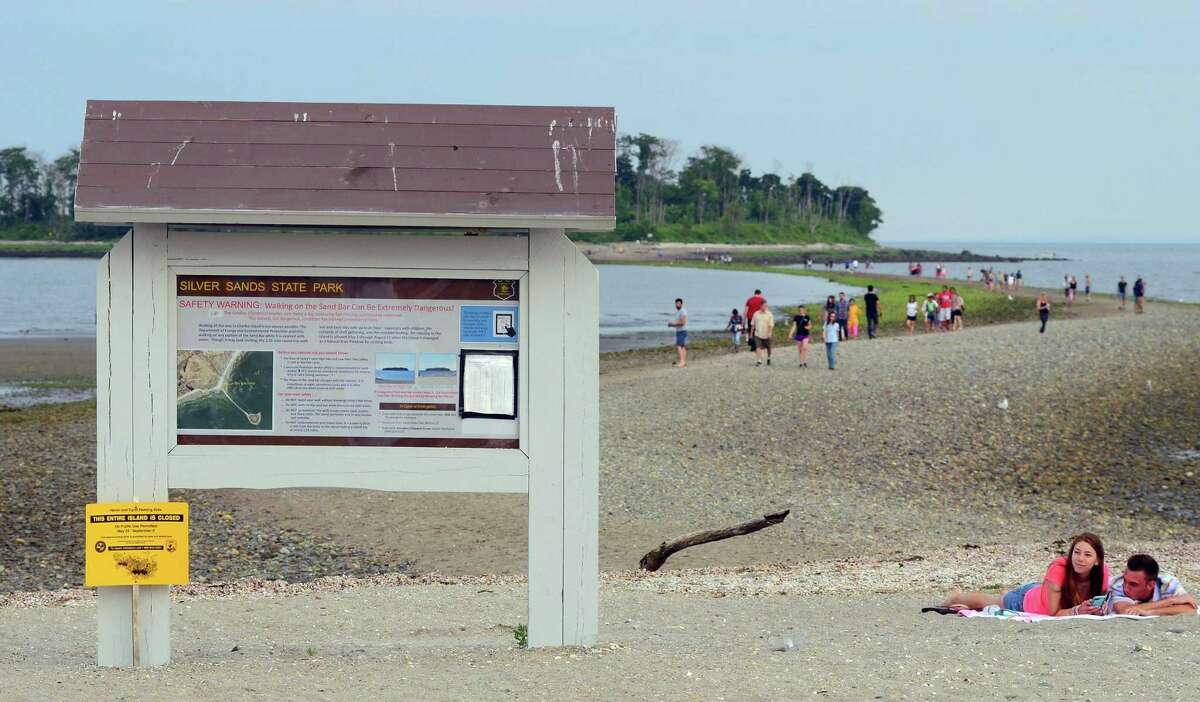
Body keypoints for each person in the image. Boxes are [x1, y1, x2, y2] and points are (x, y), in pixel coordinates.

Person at [941, 533, 1111, 616]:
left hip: (1041, 591)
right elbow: (1053, 613)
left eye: (1087, 555)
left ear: (1097, 560)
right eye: (1077, 552)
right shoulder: (1059, 570)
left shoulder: (1102, 573)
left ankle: (1007, 593)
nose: (1080, 559)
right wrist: (1077, 611)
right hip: (1027, 601)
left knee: (1006, 597)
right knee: (988, 602)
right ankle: (955, 597)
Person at [1106, 554, 1198, 616]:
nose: (1126, 587)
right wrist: (1170, 601)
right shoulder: (1118, 585)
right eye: (1125, 581)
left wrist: (1150, 612)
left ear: (1151, 585)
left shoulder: (1167, 584)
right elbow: (1126, 611)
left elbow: (1190, 608)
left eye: (1133, 584)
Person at [751, 301, 774, 366]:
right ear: (760, 306)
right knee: (758, 347)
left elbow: (771, 325)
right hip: (757, 334)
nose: (765, 307)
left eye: (766, 306)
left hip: (767, 334)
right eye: (764, 306)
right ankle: (759, 360)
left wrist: (770, 333)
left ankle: (769, 358)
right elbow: (753, 324)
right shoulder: (756, 314)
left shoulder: (769, 314)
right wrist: (751, 334)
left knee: (769, 348)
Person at [668, 298, 688, 367]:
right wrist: (673, 325)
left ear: (682, 304)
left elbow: (682, 323)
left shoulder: (683, 311)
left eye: (679, 303)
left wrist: (672, 324)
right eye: (676, 303)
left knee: (679, 346)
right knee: (682, 346)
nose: (677, 305)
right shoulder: (678, 312)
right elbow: (679, 322)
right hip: (679, 331)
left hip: (682, 331)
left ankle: (682, 362)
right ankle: (683, 362)